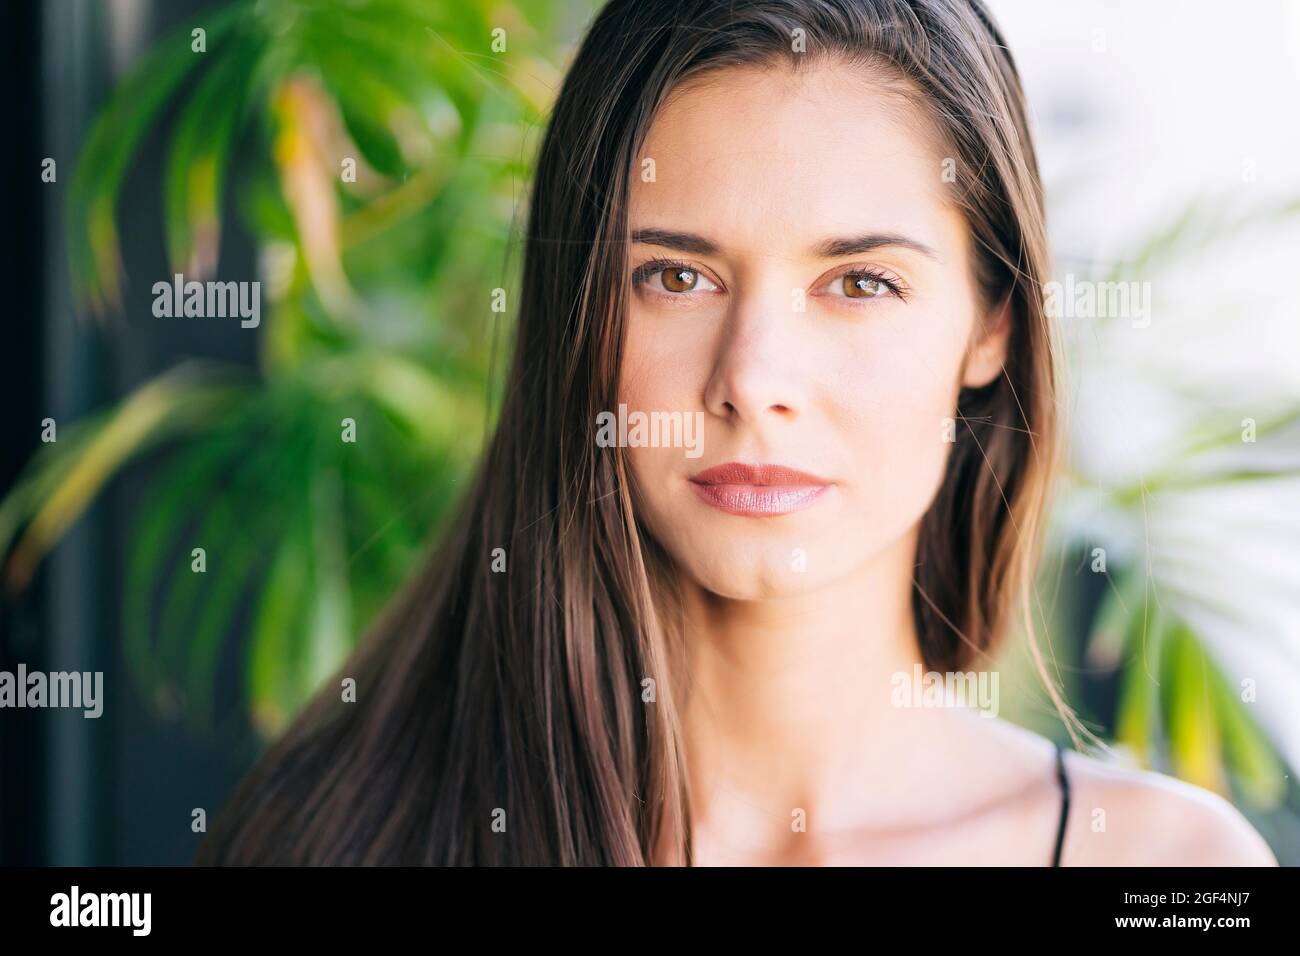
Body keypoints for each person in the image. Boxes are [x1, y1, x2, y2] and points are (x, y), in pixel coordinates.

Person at [196, 0, 1277, 866]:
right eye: (676, 276)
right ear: (580, 313)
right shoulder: (338, 838)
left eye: (858, 281)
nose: (751, 380)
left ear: (992, 323)